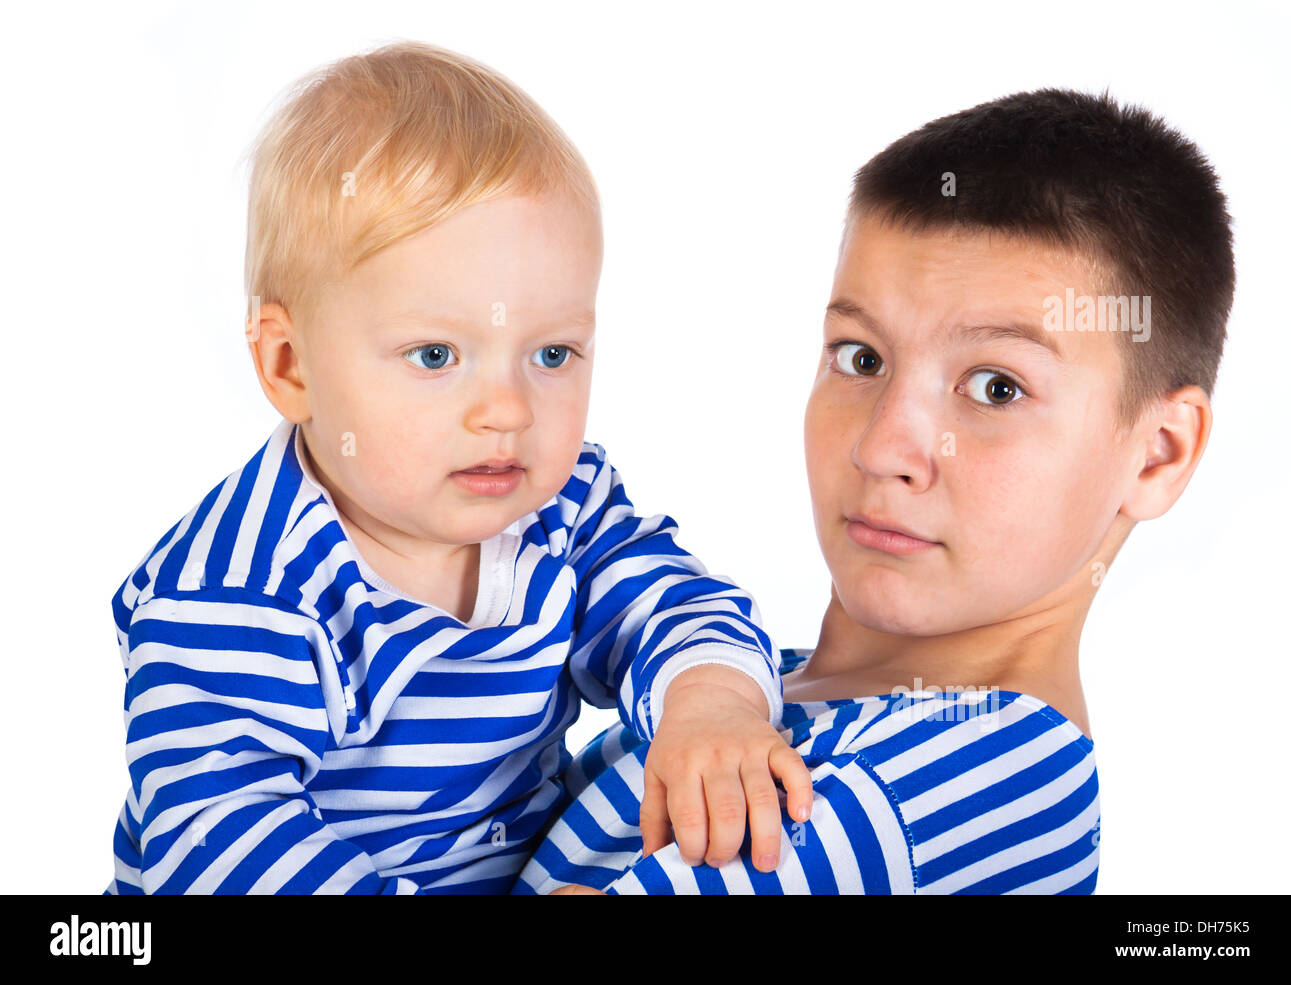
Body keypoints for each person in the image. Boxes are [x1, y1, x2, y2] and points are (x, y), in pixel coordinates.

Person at [103, 40, 814, 895]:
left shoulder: (562, 505)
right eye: (436, 354)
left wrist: (710, 698)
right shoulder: (239, 593)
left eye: (552, 353)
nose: (507, 409)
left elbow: (671, 597)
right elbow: (226, 850)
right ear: (291, 366)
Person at [516, 88, 1234, 894]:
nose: (884, 445)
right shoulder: (740, 681)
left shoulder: (994, 778)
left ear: (1157, 455)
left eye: (997, 387)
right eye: (861, 357)